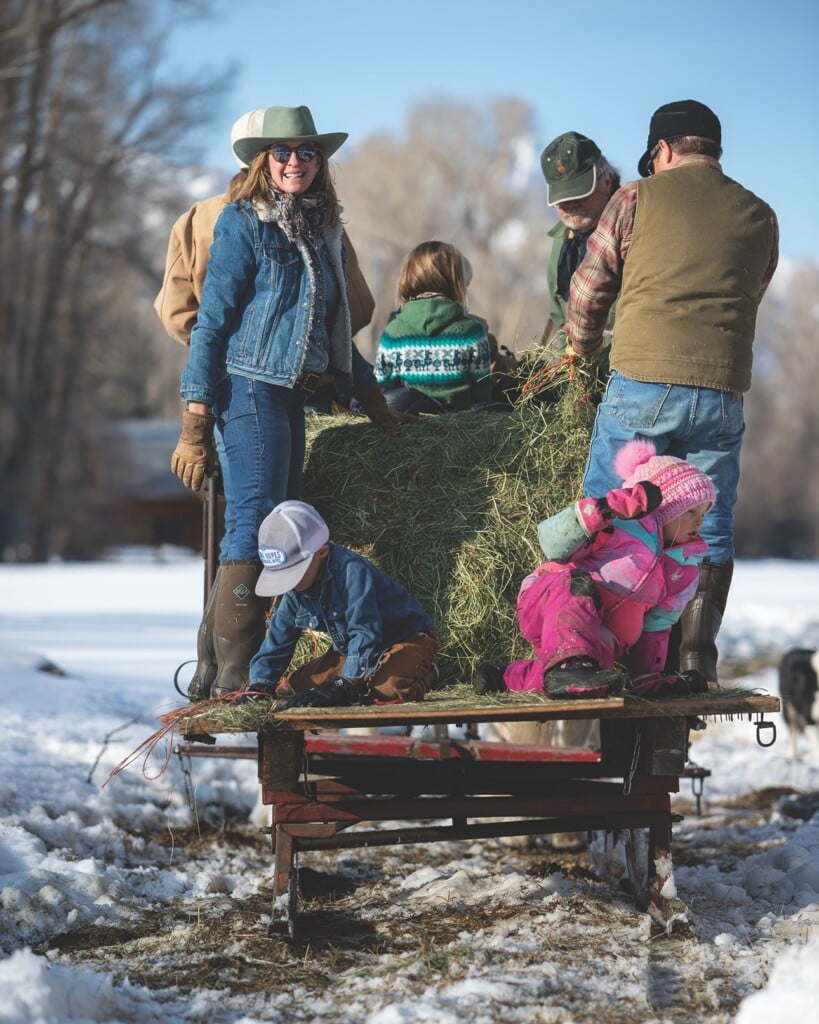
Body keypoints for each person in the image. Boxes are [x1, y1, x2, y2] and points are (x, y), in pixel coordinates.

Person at [170, 105, 413, 702]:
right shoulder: (243, 223)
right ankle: (234, 680)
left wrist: (370, 394)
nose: (296, 162)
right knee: (256, 524)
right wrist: (195, 417)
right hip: (246, 386)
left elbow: (333, 332)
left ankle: (210, 670)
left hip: (290, 393)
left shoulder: (323, 228)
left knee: (281, 523)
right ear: (262, 161)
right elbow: (212, 325)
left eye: (308, 152)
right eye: (283, 152)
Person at [565, 99, 779, 682]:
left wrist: (579, 354)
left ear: (661, 152)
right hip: (721, 394)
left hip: (642, 385)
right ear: (713, 152)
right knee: (708, 524)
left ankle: (595, 653)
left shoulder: (635, 198)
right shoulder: (761, 214)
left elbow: (587, 293)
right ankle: (693, 659)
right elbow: (749, 295)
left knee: (610, 513)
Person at [474, 440, 716, 700]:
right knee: (578, 585)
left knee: (589, 674)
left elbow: (656, 626)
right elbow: (552, 542)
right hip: (550, 601)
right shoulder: (619, 528)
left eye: (704, 512)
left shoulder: (681, 570)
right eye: (691, 511)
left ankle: (502, 678)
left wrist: (648, 679)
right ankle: (570, 668)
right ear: (666, 507)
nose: (699, 521)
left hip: (596, 634)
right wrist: (607, 508)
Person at [243, 501, 439, 706]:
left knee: (388, 689)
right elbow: (279, 635)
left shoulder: (352, 573)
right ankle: (362, 678)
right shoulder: (297, 589)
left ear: (321, 552)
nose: (290, 583)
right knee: (299, 687)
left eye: (294, 573)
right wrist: (260, 684)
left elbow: (365, 631)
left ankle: (428, 673)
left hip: (403, 639)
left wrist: (347, 683)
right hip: (353, 650)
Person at [373, 241, 494, 413]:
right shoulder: (471, 332)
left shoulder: (393, 333)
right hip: (460, 432)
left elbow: (382, 390)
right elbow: (482, 397)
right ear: (456, 280)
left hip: (407, 431)